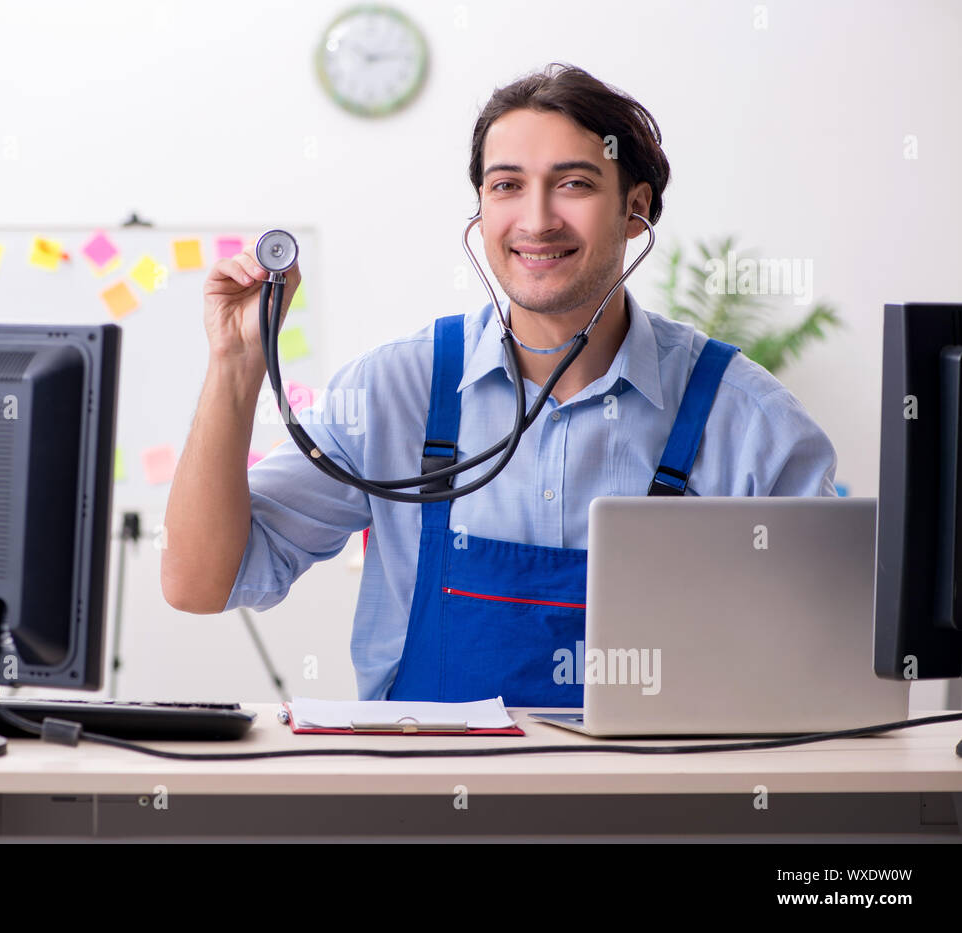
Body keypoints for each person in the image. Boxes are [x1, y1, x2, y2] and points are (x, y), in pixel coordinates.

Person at [161, 62, 838, 706]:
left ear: (636, 210)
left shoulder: (745, 418)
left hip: (652, 808)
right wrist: (235, 361)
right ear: (481, 208)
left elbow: (824, 661)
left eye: (573, 183)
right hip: (424, 808)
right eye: (506, 185)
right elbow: (199, 582)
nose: (536, 219)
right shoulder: (396, 390)